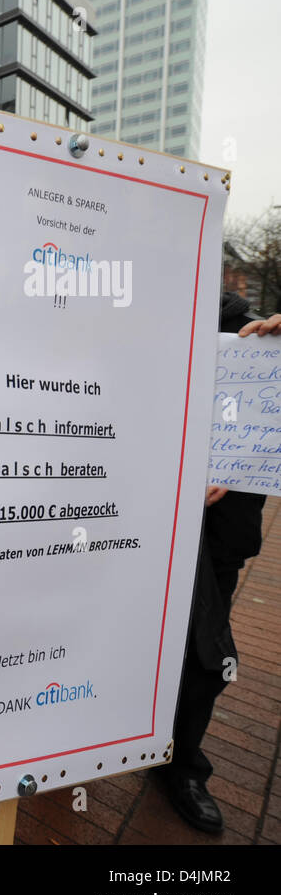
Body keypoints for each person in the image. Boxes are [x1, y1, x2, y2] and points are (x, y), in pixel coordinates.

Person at [161, 301, 281, 833]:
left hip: (216, 534)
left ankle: (182, 764)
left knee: (204, 652)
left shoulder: (237, 319)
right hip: (128, 521)